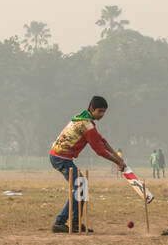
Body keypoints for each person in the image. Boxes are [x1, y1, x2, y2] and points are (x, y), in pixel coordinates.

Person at [49, 95, 126, 233]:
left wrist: (118, 158)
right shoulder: (86, 125)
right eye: (100, 111)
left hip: (59, 156)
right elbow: (99, 150)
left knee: (80, 185)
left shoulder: (83, 118)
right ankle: (61, 222)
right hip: (61, 157)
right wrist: (117, 161)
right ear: (91, 108)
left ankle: (74, 223)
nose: (102, 115)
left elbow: (102, 141)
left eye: (104, 112)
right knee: (80, 185)